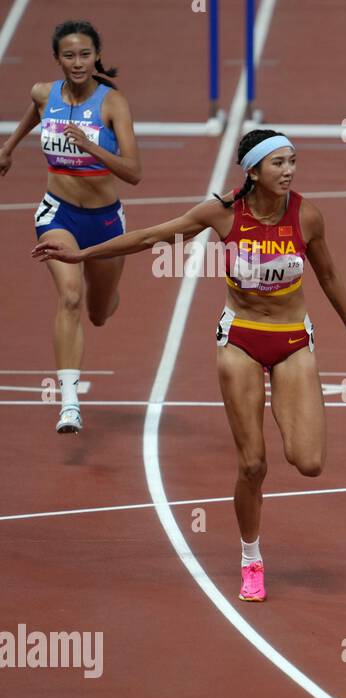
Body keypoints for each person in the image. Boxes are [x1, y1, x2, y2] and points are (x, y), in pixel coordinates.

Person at [34, 130, 346, 603]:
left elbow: (327, 274)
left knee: (309, 462)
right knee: (253, 463)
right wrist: (82, 254)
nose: (289, 171)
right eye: (279, 163)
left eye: (293, 162)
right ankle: (251, 559)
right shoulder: (222, 213)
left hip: (292, 341)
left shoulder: (307, 215)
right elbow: (149, 236)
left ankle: (288, 414)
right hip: (240, 339)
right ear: (254, 170)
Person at [0, 20, 140, 434]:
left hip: (105, 220)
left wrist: (91, 146)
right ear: (57, 59)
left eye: (84, 55)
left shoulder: (113, 104)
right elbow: (35, 109)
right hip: (57, 214)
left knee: (98, 312)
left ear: (96, 56)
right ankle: (70, 403)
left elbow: (134, 172)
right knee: (69, 296)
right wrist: (8, 148)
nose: (77, 63)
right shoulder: (46, 94)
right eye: (68, 55)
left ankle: (109, 293)